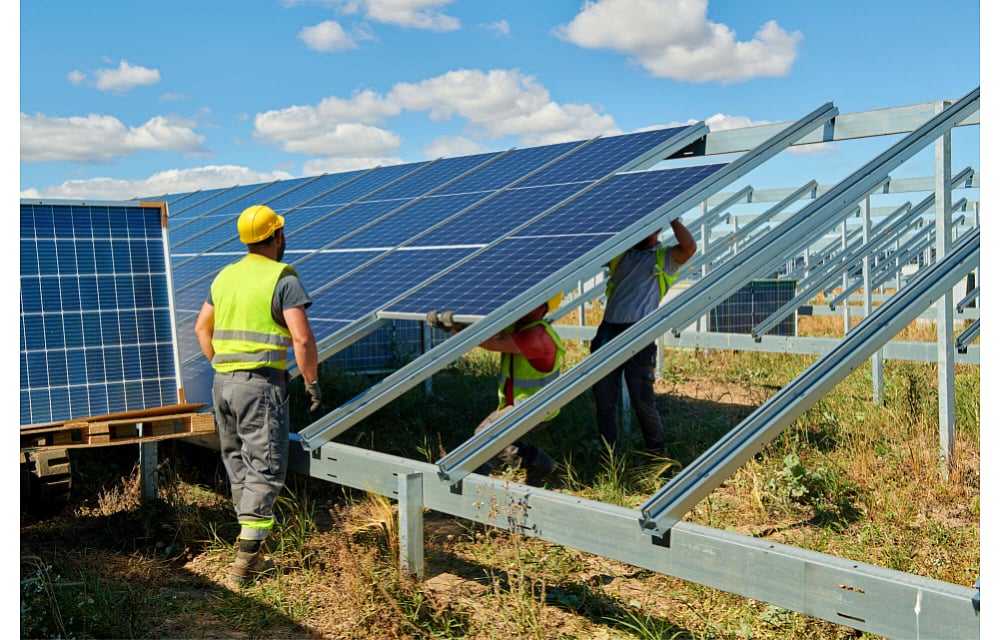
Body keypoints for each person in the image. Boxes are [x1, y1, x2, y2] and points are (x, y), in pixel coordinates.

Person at [194, 204, 323, 587]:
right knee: (266, 466)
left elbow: (202, 329)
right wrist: (311, 382)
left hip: (223, 384)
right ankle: (245, 564)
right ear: (278, 236)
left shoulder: (225, 276)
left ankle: (249, 545)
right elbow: (301, 337)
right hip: (260, 385)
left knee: (237, 463)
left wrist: (225, 365)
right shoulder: (283, 278)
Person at [427, 294, 565, 487]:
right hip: (521, 404)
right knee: (497, 441)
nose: (525, 305)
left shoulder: (536, 336)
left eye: (532, 303)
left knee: (485, 436)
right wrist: (455, 326)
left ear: (543, 308)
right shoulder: (521, 327)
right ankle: (538, 464)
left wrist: (453, 329)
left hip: (534, 406)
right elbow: (490, 333)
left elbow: (491, 343)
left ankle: (475, 485)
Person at [591, 218, 696, 455]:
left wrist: (673, 218)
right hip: (608, 331)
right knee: (604, 399)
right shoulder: (621, 254)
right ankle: (610, 456)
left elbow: (689, 248)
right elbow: (594, 248)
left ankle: (657, 454)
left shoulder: (664, 257)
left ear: (658, 228)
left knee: (642, 400)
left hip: (639, 333)